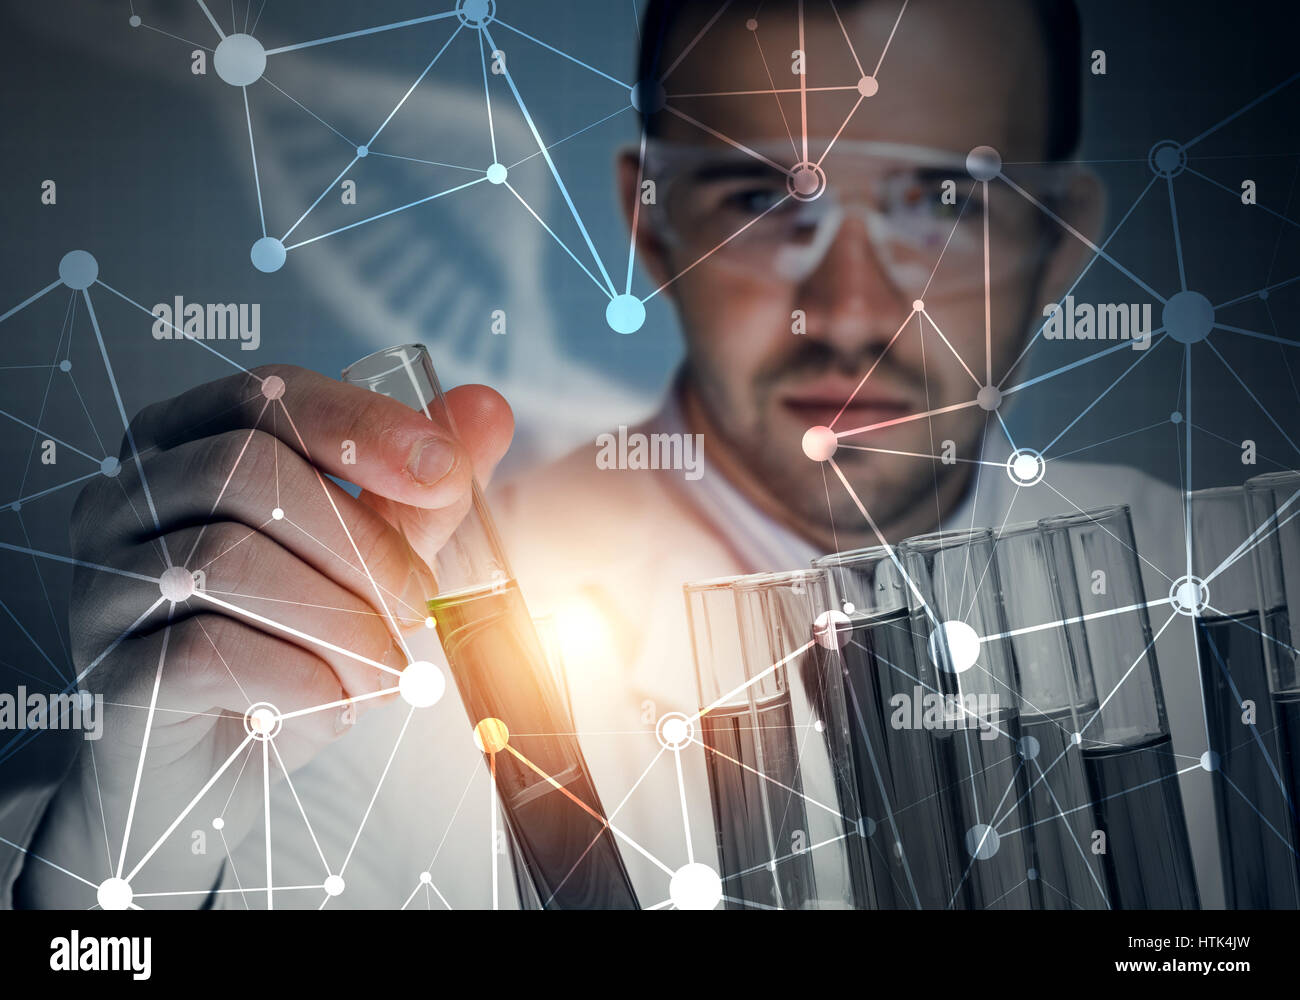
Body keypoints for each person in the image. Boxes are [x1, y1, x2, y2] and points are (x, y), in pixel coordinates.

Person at [4, 0, 1220, 909]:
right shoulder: (393, 646)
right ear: (648, 219)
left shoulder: (1231, 589)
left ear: (1061, 243)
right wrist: (122, 847)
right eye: (762, 200)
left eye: (945, 202)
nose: (848, 308)